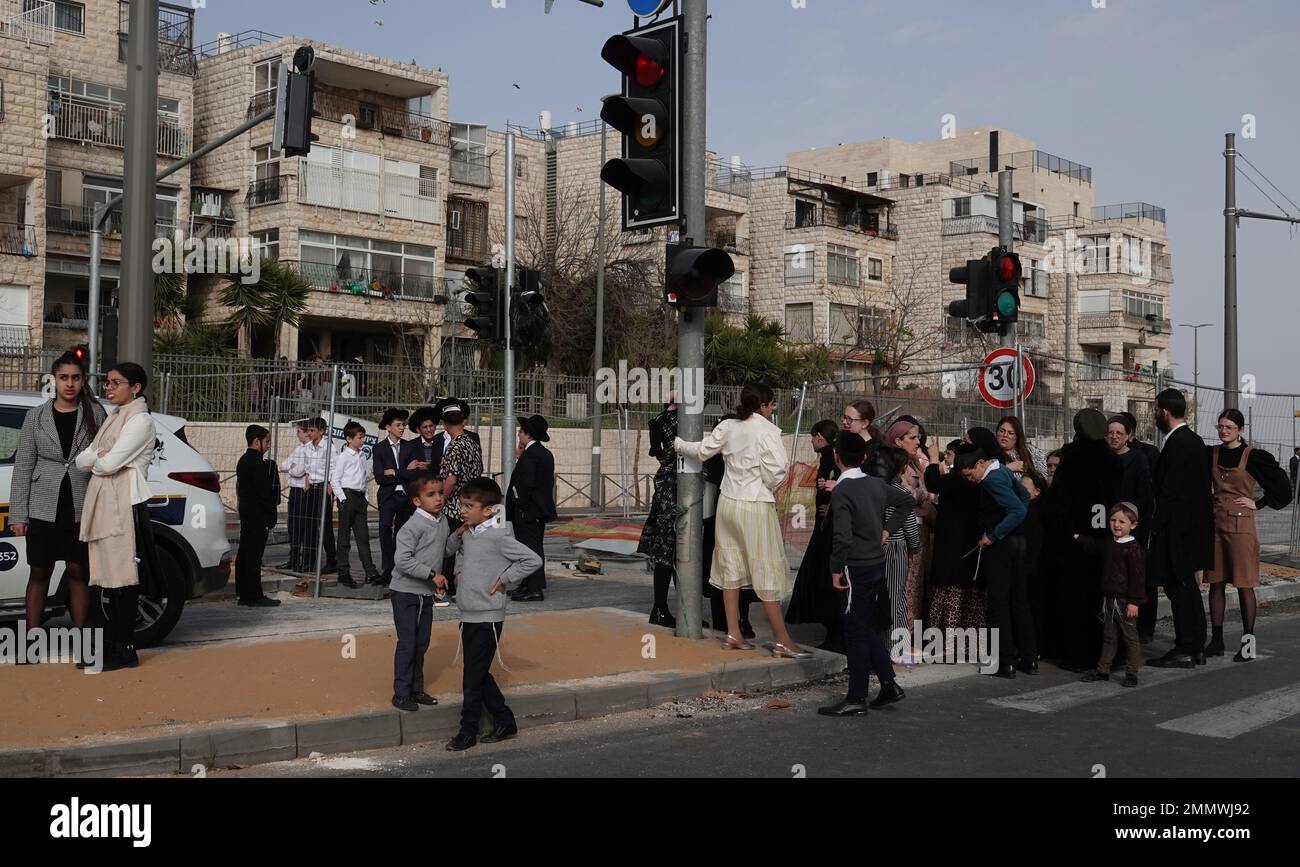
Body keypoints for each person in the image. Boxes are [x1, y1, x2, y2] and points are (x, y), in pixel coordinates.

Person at [676, 383, 807, 656]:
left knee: (730, 566)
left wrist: (678, 443)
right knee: (766, 567)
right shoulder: (767, 431)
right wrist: (768, 482)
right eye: (771, 404)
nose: (773, 409)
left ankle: (733, 632)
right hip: (755, 503)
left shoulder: (728, 427)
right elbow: (778, 470)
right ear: (763, 406)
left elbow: (702, 451)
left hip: (728, 502)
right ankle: (782, 638)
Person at [10, 351, 105, 644]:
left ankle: (80, 639)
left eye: (76, 378)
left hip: (81, 506)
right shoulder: (35, 416)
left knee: (78, 571)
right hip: (42, 507)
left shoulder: (95, 413)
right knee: (39, 572)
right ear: (54, 380)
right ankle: (31, 642)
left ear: (83, 380)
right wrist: (18, 515)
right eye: (64, 377)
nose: (69, 384)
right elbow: (23, 465)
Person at [818, 431, 915, 717]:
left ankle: (856, 697)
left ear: (836, 458)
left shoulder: (843, 491)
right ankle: (887, 684)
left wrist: (836, 569)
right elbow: (908, 502)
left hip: (854, 566)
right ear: (863, 457)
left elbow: (842, 537)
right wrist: (887, 530)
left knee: (855, 632)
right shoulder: (876, 483)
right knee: (867, 626)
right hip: (875, 563)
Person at [442, 478, 542, 751]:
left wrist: (505, 579)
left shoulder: (499, 536)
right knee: (477, 672)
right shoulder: (469, 531)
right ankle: (504, 719)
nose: (462, 510)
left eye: (469, 506)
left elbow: (533, 560)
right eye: (462, 505)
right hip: (468, 612)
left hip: (488, 616)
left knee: (471, 679)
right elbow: (449, 550)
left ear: (488, 510)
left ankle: (468, 732)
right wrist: (458, 534)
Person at [76, 362, 164, 672]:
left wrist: (100, 457)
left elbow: (106, 463)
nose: (109, 388)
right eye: (108, 382)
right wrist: (100, 456)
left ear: (135, 388)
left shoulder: (139, 421)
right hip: (106, 504)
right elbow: (82, 459)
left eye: (116, 383)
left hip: (124, 506)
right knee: (105, 581)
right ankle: (111, 646)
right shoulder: (115, 418)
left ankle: (124, 648)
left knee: (123, 582)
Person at [1205, 408, 1293, 662]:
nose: (1223, 431)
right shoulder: (1211, 453)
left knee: (1244, 585)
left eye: (1229, 427)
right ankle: (1217, 640)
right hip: (1216, 526)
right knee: (1216, 582)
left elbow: (1283, 488)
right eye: (1220, 426)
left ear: (1241, 430)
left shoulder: (1254, 456)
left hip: (1242, 529)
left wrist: (1260, 503)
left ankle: (1248, 642)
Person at [1040, 409, 1121, 670]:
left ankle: (1077, 654)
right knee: (1102, 600)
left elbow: (1060, 501)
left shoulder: (1072, 457)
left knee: (1074, 599)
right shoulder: (1113, 460)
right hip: (1105, 538)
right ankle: (1107, 654)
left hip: (1073, 541)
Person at [955, 441, 1035, 678]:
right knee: (1019, 600)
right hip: (1019, 543)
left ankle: (1006, 661)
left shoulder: (991, 480)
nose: (971, 480)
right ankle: (1029, 659)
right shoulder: (1003, 471)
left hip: (1003, 546)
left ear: (980, 463)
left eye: (970, 474)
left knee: (999, 603)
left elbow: (1018, 511)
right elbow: (1024, 497)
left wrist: (993, 534)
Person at [1148, 389, 1213, 669]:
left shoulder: (1179, 443)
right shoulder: (1193, 440)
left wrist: (1155, 527)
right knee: (1187, 588)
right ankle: (1195, 645)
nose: (1154, 414)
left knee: (1180, 588)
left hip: (1177, 531)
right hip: (1191, 529)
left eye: (1155, 409)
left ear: (1163, 411)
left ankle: (1186, 646)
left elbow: (1170, 491)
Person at [389, 471, 449, 712]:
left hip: (425, 594)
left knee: (422, 643)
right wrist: (432, 575)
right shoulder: (412, 526)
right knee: (408, 643)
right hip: (405, 592)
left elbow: (445, 548)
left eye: (441, 493)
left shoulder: (441, 520)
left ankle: (416, 689)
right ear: (416, 500)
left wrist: (461, 533)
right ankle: (401, 694)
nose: (438, 498)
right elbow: (402, 560)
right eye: (431, 494)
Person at [1075, 502, 1146, 688]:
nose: (1116, 524)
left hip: (1125, 601)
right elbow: (1094, 545)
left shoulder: (1133, 549)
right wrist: (1078, 537)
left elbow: (1138, 579)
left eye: (1122, 521)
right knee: (1109, 636)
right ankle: (1103, 670)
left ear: (1133, 525)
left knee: (1130, 638)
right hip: (1109, 599)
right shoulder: (1109, 542)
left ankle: (1132, 674)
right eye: (1113, 520)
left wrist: (1134, 602)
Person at [787, 420, 844, 652]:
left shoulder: (830, 457)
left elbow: (834, 485)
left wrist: (829, 503)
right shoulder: (828, 456)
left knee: (823, 575)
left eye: (812, 437)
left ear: (819, 436)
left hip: (828, 527)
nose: (811, 442)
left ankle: (833, 630)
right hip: (826, 522)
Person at [926, 432, 986, 634]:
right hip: (971, 542)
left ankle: (944, 643)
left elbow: (933, 483)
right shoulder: (982, 478)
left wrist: (934, 460)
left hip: (952, 544)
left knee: (948, 591)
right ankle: (966, 644)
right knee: (967, 595)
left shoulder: (958, 479)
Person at [885, 415, 935, 628]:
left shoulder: (913, 462)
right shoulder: (896, 466)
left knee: (914, 585)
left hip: (918, 529)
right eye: (913, 438)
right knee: (905, 585)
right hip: (904, 533)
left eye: (919, 437)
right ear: (898, 441)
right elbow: (910, 495)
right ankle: (901, 634)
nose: (918, 442)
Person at [637, 397, 678, 627]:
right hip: (673, 490)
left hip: (667, 489)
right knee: (669, 552)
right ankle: (661, 609)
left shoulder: (659, 421)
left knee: (671, 553)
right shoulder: (674, 421)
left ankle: (669, 609)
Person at [507, 415, 557, 603]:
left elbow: (526, 485)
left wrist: (522, 507)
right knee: (528, 548)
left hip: (529, 511)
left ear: (528, 434)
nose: (519, 434)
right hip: (535, 509)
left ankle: (534, 588)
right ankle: (528, 584)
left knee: (531, 549)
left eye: (521, 431)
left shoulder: (532, 454)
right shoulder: (541, 453)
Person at [437, 399, 484, 592]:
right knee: (467, 549)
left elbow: (451, 479)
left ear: (445, 425)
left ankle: (446, 587)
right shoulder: (472, 444)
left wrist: (441, 500)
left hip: (454, 506)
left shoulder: (455, 447)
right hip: (471, 503)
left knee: (448, 548)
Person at [235, 425, 281, 607]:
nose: (268, 445)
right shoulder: (256, 463)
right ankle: (254, 595)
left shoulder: (244, 460)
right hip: (257, 515)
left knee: (245, 553)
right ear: (256, 441)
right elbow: (264, 493)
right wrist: (271, 513)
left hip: (247, 513)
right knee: (254, 555)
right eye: (267, 441)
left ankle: (244, 593)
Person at [331, 420, 378, 589]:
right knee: (344, 538)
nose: (362, 440)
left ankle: (370, 572)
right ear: (349, 439)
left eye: (363, 437)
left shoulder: (362, 455)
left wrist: (365, 497)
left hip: (359, 498)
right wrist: (343, 499)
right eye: (359, 437)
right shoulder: (343, 457)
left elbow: (362, 478)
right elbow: (335, 480)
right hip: (348, 497)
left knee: (363, 537)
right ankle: (343, 572)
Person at [881, 446, 921, 645]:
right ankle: (894, 645)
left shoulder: (878, 488)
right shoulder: (900, 492)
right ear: (902, 468)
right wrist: (915, 546)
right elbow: (909, 524)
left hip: (878, 546)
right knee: (896, 597)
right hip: (896, 547)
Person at [374, 408, 411, 586]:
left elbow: (414, 474)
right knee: (384, 529)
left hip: (405, 495)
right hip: (388, 496)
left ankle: (400, 568)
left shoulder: (408, 446)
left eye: (403, 424)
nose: (402, 428)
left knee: (402, 533)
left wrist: (395, 472)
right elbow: (380, 477)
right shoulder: (379, 448)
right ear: (388, 427)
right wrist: (404, 473)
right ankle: (387, 569)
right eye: (398, 425)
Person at [297, 418, 338, 574]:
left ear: (321, 431)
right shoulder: (307, 448)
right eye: (308, 430)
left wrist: (330, 485)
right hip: (311, 488)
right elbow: (307, 467)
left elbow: (335, 467)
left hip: (323, 488)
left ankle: (331, 560)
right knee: (308, 525)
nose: (309, 433)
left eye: (312, 430)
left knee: (325, 525)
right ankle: (308, 561)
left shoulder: (329, 448)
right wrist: (307, 481)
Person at [278, 422, 311, 571]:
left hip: (302, 491)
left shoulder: (309, 450)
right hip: (294, 489)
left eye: (299, 432)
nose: (297, 434)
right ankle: (293, 557)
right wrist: (292, 467)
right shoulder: (298, 449)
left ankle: (301, 558)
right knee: (292, 525)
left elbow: (297, 471)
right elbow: (284, 465)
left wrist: (292, 468)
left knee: (300, 525)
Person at [996, 415, 1048, 482]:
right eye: (1002, 431)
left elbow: (1045, 474)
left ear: (1017, 437)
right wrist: (1008, 468)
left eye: (1010, 433)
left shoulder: (1030, 450)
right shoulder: (989, 453)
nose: (1005, 435)